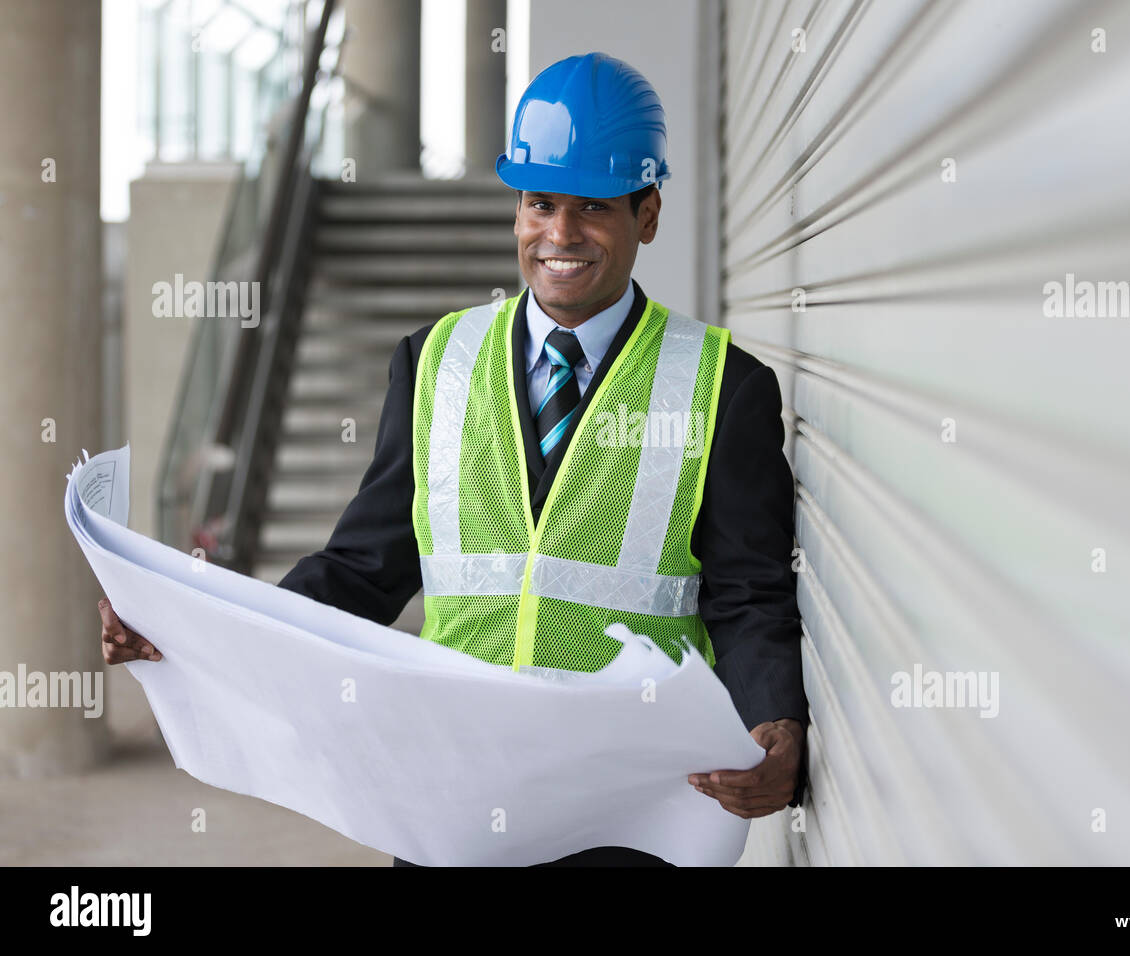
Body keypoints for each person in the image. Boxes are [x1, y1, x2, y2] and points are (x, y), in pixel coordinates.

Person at [99, 51, 809, 867]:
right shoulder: (436, 361)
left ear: (647, 214)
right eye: (540, 204)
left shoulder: (723, 386)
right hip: (454, 806)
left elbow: (750, 596)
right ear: (516, 211)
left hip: (626, 813)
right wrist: (191, 632)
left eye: (593, 207)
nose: (561, 235)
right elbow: (362, 571)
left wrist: (775, 727)